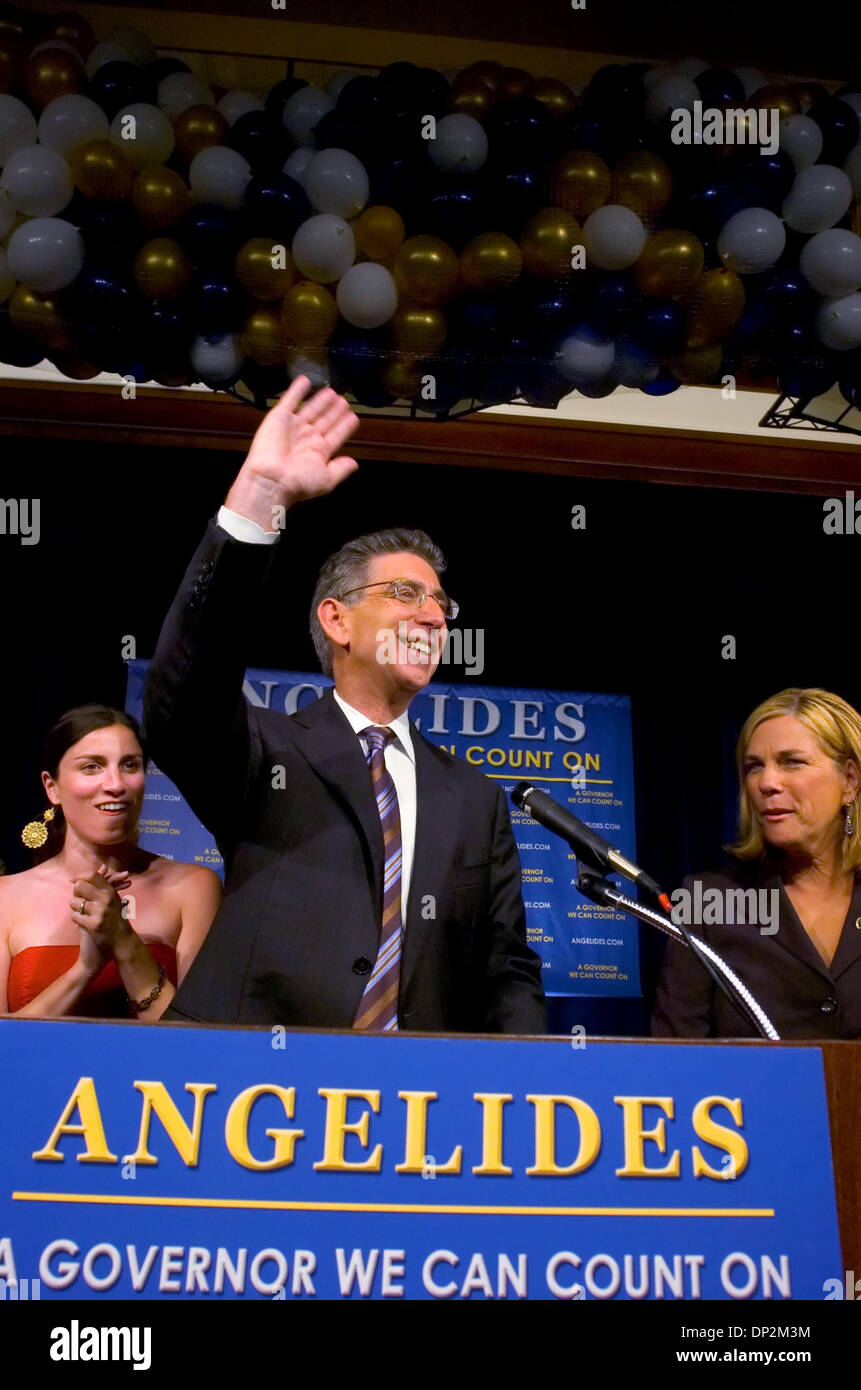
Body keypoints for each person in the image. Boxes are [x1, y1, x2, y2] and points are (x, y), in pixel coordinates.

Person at [144, 376, 546, 1033]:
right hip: (247, 1092)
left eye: (441, 604)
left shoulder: (473, 799)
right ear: (337, 621)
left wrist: (524, 1088)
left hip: (414, 1106)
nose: (434, 616)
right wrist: (260, 498)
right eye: (405, 594)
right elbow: (180, 696)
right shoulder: (267, 753)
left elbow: (505, 971)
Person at [652, 687, 861, 1039]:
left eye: (792, 762)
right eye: (753, 767)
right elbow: (676, 1060)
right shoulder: (709, 903)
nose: (766, 782)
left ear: (849, 781)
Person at [1, 705, 222, 1020]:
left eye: (130, 765)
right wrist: (85, 969)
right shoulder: (5, 897)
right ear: (52, 787)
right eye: (92, 767)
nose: (116, 784)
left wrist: (123, 941)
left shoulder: (193, 887)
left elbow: (199, 1045)